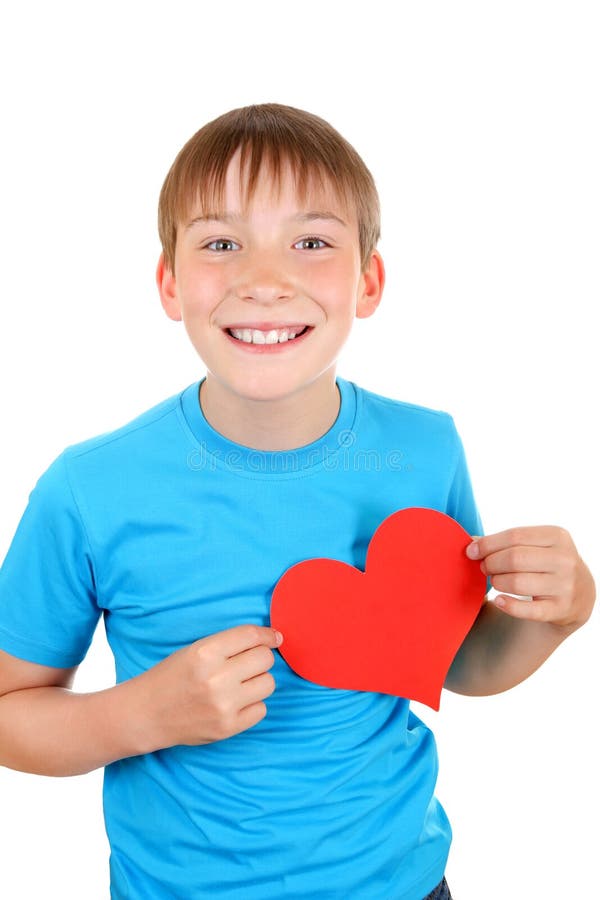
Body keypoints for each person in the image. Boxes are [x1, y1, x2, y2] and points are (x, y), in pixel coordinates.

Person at [0, 103, 595, 900]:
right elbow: (10, 710)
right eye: (221, 243)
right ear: (170, 284)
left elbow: (452, 662)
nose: (265, 280)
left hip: (404, 885)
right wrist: (146, 715)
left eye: (311, 242)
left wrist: (552, 619)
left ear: (369, 281)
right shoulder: (89, 488)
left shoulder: (425, 450)